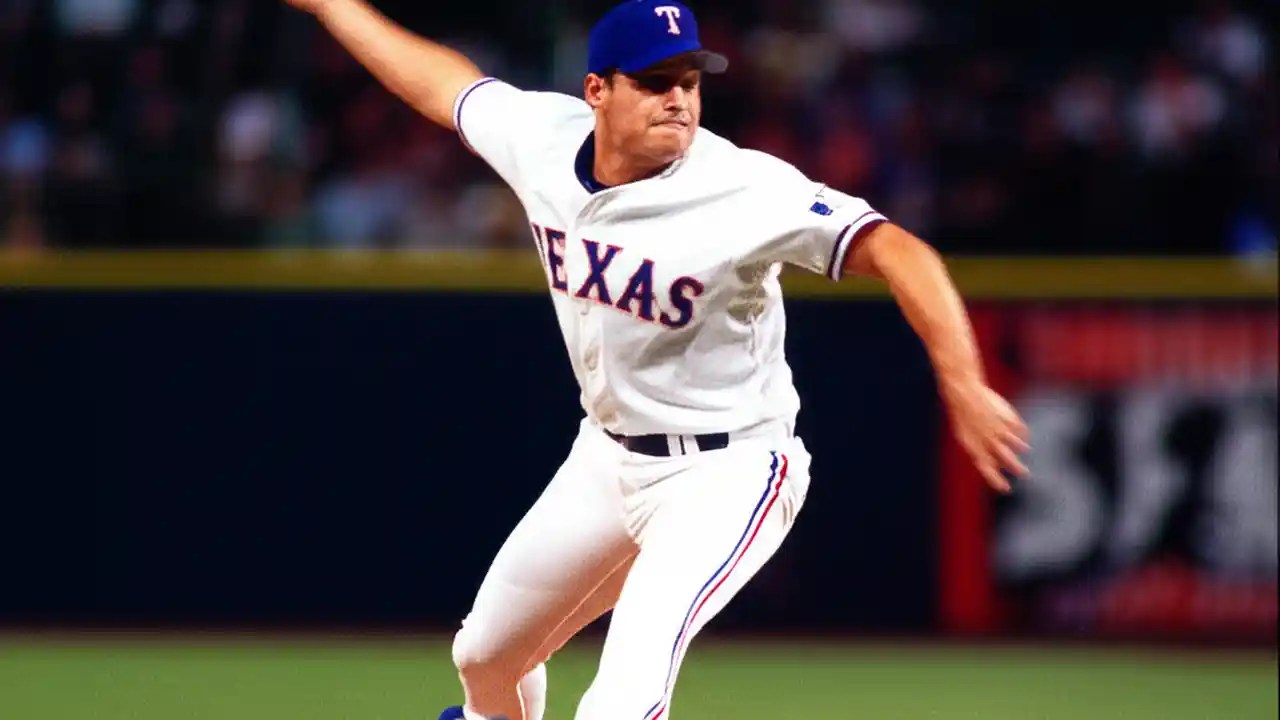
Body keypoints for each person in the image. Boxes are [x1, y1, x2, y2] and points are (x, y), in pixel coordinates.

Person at [282, 1, 1031, 718]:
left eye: (689, 81)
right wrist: (331, 5)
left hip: (728, 471)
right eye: (654, 82)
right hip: (606, 459)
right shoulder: (542, 138)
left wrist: (961, 380)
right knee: (484, 659)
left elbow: (900, 250)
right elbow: (440, 83)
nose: (677, 99)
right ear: (597, 92)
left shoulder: (743, 187)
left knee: (619, 703)